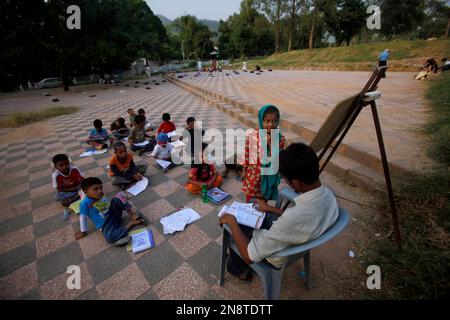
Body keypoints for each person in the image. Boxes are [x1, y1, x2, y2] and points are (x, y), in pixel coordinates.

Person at [220, 143, 339, 281]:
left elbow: (249, 257)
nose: (285, 181)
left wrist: (231, 221)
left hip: (276, 253)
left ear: (296, 183)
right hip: (299, 233)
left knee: (233, 225)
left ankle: (238, 270)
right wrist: (270, 208)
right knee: (254, 208)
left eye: (285, 179)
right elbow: (296, 218)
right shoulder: (328, 195)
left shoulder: (291, 219)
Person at [74, 177, 144, 246]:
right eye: (95, 189)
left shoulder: (101, 194)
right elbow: (83, 217)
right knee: (110, 237)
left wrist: (120, 203)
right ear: (86, 192)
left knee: (120, 195)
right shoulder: (84, 204)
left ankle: (131, 215)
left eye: (101, 188)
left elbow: (106, 206)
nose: (100, 191)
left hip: (113, 216)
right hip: (105, 225)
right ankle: (130, 225)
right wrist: (83, 231)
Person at [242, 105, 285, 203]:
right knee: (251, 196)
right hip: (254, 173)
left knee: (263, 198)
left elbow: (280, 158)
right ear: (261, 121)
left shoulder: (279, 138)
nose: (271, 125)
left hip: (269, 174)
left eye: (274, 121)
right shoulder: (254, 135)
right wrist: (244, 169)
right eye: (267, 121)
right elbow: (247, 153)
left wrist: (271, 144)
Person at [52, 154, 84, 220]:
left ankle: (75, 198)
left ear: (69, 163)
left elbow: (82, 180)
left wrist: (79, 187)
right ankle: (76, 198)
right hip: (68, 191)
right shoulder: (55, 175)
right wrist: (74, 189)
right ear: (56, 166)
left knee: (87, 187)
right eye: (61, 165)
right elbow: (60, 190)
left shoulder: (74, 169)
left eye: (66, 164)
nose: (64, 166)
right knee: (58, 197)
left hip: (78, 188)